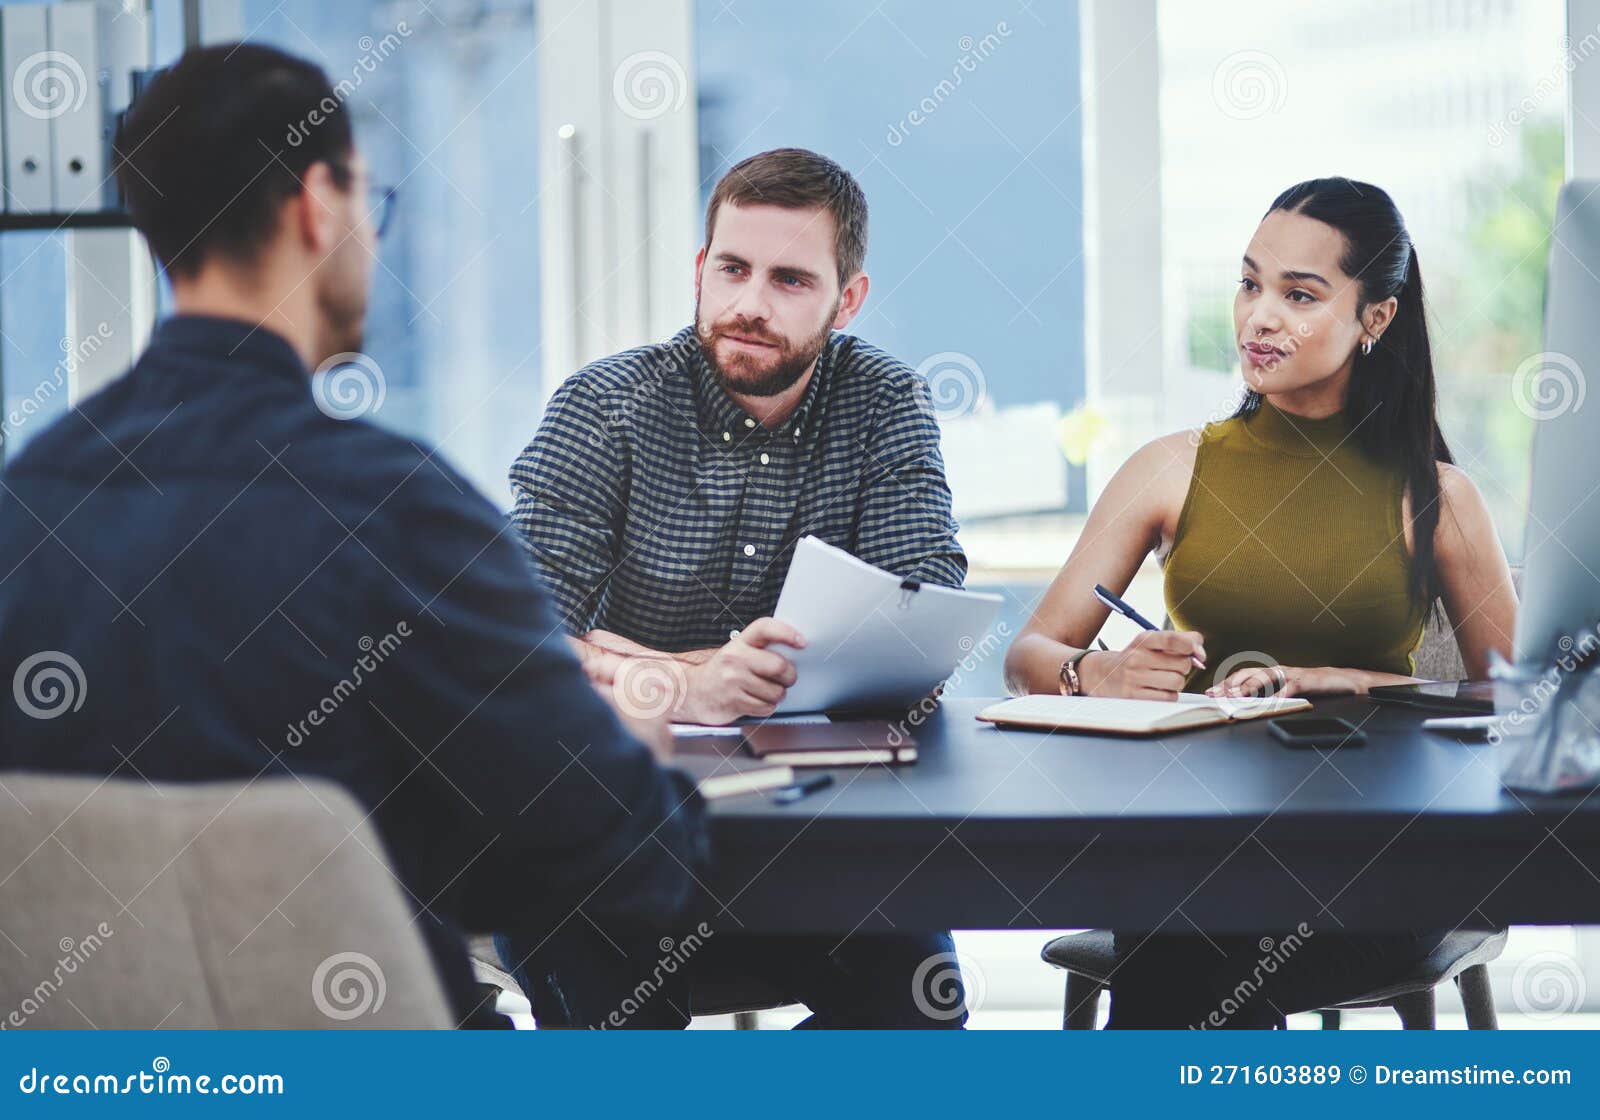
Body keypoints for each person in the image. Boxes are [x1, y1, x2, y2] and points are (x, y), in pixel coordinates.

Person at [0, 44, 705, 1029]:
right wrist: (638, 752)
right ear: (318, 204)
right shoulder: (394, 510)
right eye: (370, 203)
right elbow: (631, 867)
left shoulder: (26, 503)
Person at [1004, 177, 1518, 1028]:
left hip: (1376, 855)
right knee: (1191, 930)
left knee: (1186, 952)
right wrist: (1097, 672)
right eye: (1250, 284)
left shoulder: (1437, 497)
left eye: (1300, 295)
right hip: (1196, 843)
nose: (1259, 317)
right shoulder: (1170, 468)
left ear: (1376, 318)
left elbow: (1523, 699)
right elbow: (1028, 656)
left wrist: (1357, 682)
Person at [503, 148, 966, 1028]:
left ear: (848, 300)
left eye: (790, 279)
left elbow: (921, 628)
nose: (750, 304)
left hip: (820, 836)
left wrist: (642, 660)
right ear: (700, 270)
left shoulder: (885, 404)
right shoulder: (604, 406)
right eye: (732, 269)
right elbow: (515, 647)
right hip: (608, 832)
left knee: (917, 1017)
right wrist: (689, 684)